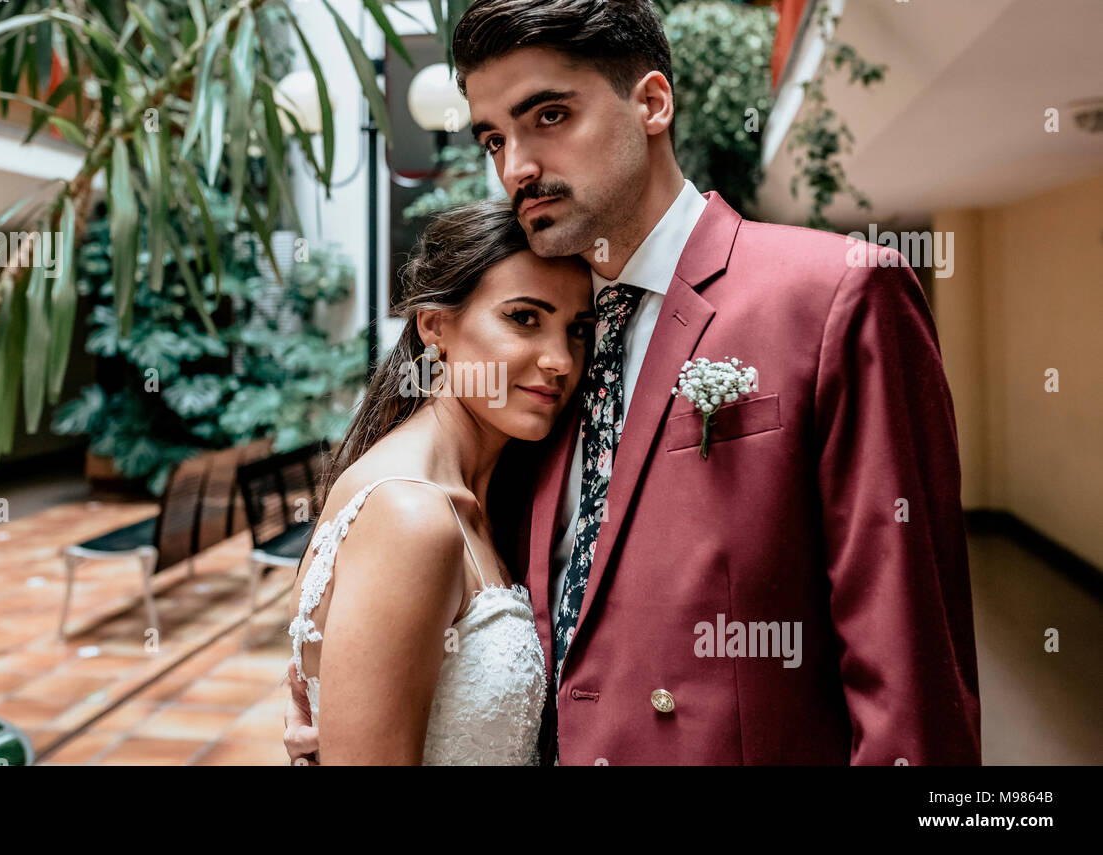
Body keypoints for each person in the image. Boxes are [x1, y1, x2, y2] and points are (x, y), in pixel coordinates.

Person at [287, 0, 981, 765]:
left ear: (652, 102)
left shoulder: (835, 296)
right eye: (493, 137)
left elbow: (913, 694)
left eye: (548, 115)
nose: (515, 165)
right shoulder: (541, 357)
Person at [286, 200, 594, 764]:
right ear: (435, 326)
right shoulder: (411, 516)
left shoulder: (482, 494)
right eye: (524, 317)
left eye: (577, 330)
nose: (559, 360)